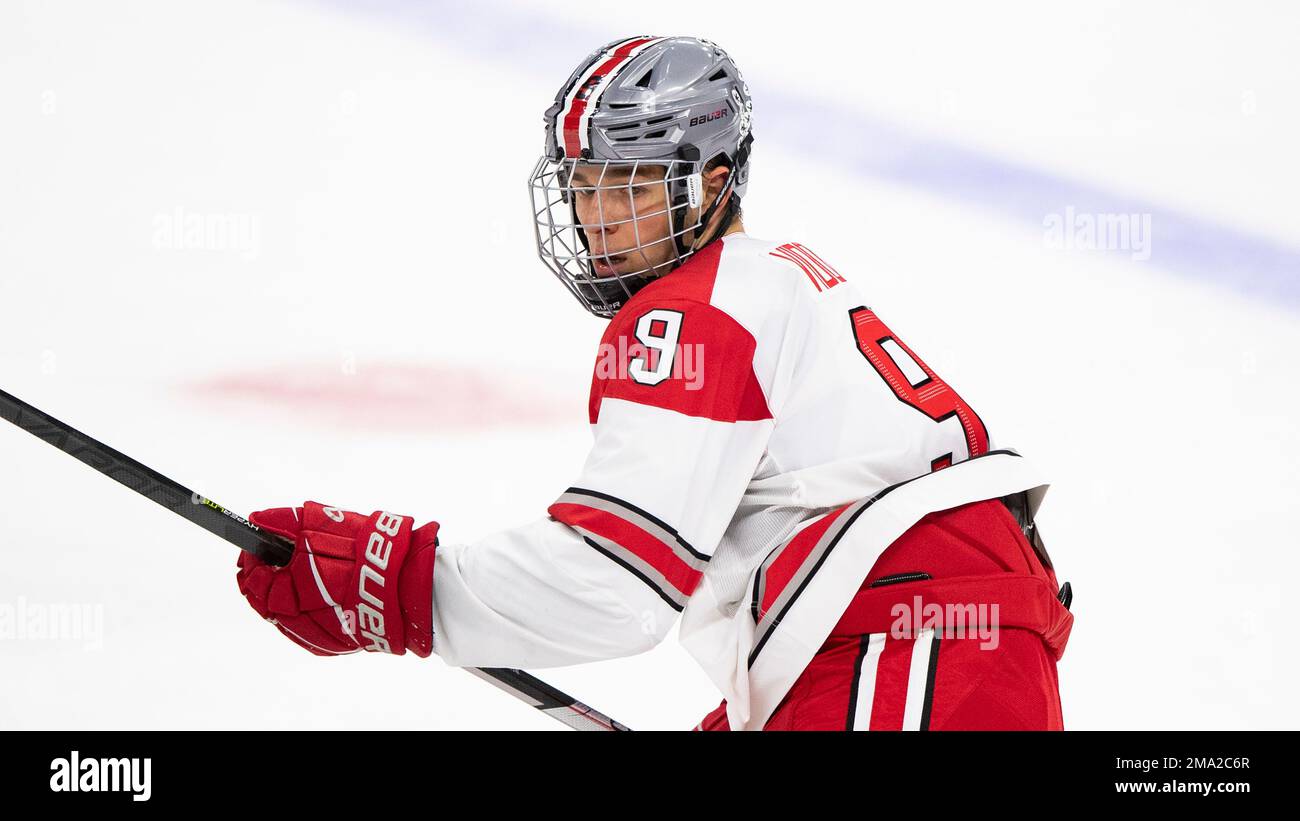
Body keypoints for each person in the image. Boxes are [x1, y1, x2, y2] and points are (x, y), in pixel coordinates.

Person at [235, 35, 1073, 730]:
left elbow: (615, 583)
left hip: (915, 655)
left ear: (711, 185)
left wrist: (401, 584)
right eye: (584, 182)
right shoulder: (778, 281)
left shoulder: (694, 312)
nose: (597, 213)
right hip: (951, 654)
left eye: (628, 182)